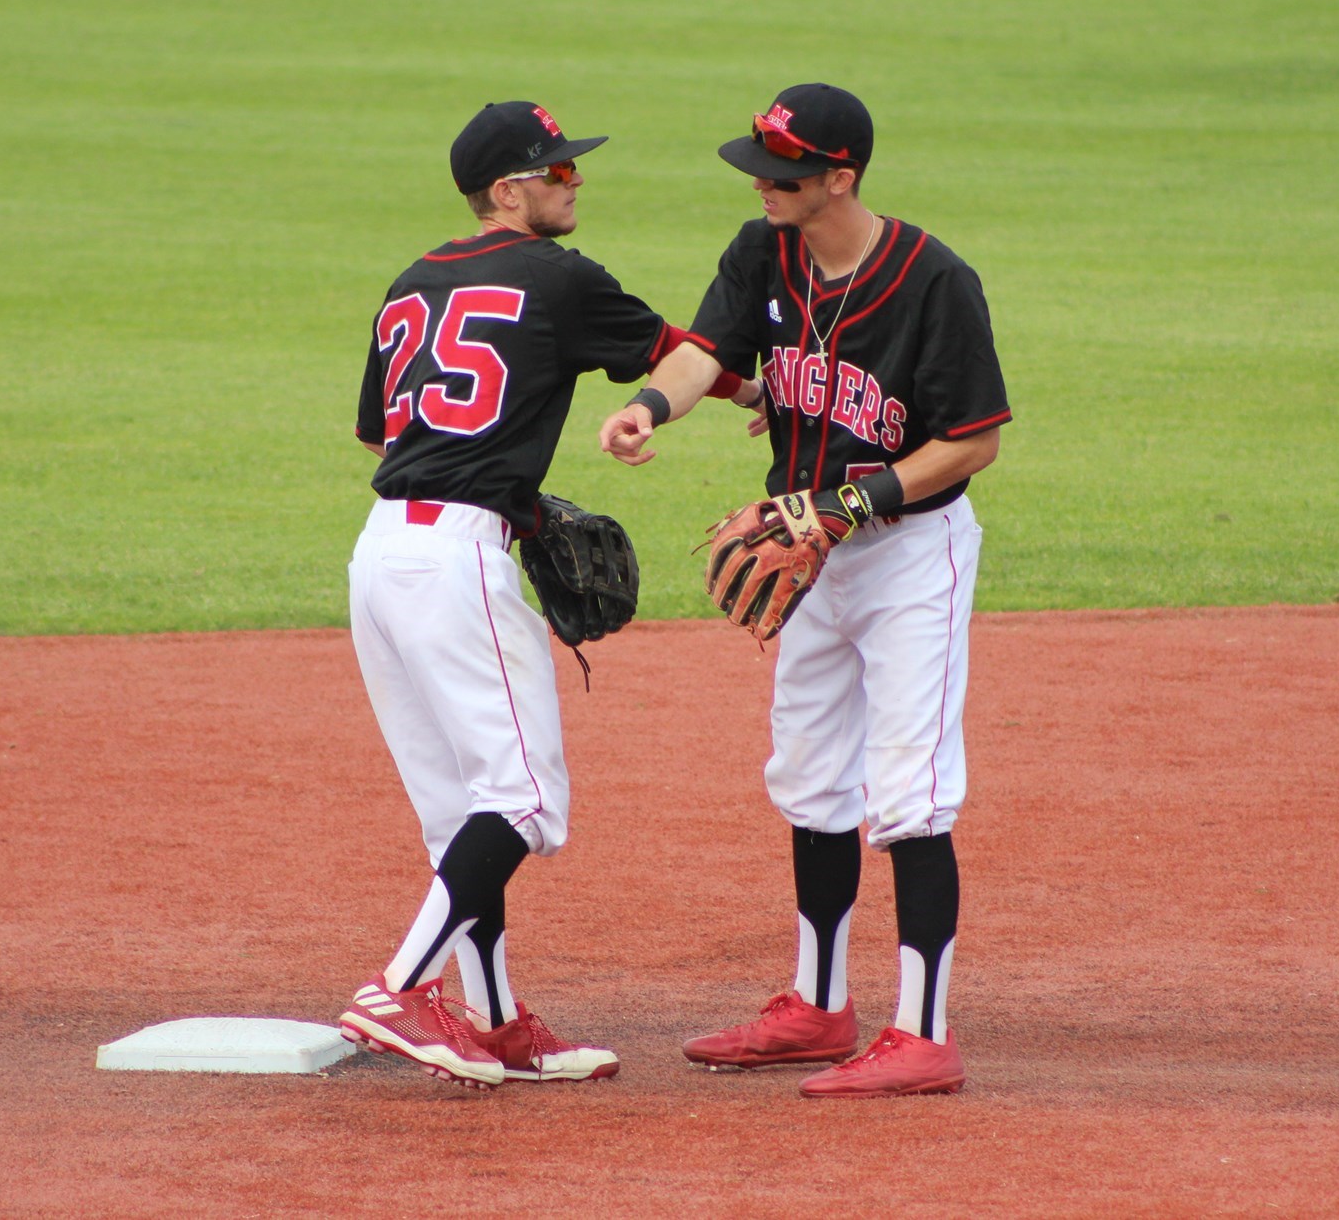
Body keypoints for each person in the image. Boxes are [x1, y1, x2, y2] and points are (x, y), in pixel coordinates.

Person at [598, 84, 1010, 1098]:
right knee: (812, 771)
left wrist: (848, 503)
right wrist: (653, 407)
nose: (761, 184)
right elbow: (709, 351)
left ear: (840, 177)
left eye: (781, 173)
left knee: (908, 787)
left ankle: (923, 1032)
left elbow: (972, 441)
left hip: (909, 552)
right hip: (805, 546)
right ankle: (819, 1004)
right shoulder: (761, 252)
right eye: (757, 166)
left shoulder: (932, 281)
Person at [337, 100, 744, 1089]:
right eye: (557, 170)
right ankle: (398, 987)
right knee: (521, 798)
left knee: (459, 811)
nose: (573, 182)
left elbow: (376, 436)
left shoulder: (408, 283)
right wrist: (755, 393)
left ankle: (493, 1016)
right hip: (457, 562)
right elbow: (683, 352)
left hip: (381, 556)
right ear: (507, 191)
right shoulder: (555, 277)